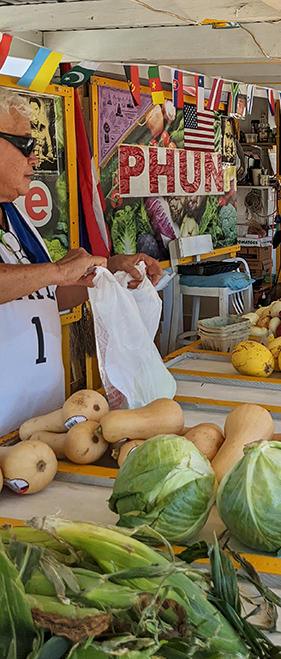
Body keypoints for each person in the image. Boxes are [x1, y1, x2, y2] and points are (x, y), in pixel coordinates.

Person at [0, 88, 162, 436]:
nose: (36, 159)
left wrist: (107, 275)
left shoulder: (15, 216)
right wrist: (58, 271)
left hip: (40, 419)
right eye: (26, 145)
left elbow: (44, 297)